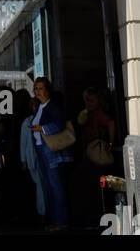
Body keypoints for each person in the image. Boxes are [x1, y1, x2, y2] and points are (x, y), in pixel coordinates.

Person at [30, 77, 73, 230]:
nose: (37, 91)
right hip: (42, 149)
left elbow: (60, 124)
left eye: (40, 88)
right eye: (36, 89)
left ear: (48, 90)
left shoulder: (52, 106)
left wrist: (42, 128)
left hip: (51, 151)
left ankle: (61, 222)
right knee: (48, 186)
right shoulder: (39, 107)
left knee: (56, 186)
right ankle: (56, 221)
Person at [72, 86, 116, 226]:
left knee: (92, 185)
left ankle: (96, 217)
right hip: (90, 152)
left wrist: (110, 142)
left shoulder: (98, 113)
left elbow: (111, 123)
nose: (88, 104)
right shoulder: (88, 114)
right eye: (86, 101)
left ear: (98, 101)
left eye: (91, 100)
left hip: (96, 154)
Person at [20, 95, 46, 224]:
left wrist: (23, 160)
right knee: (41, 185)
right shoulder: (28, 122)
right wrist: (24, 160)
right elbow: (23, 143)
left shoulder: (29, 122)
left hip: (36, 158)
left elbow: (23, 143)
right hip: (34, 159)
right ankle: (42, 212)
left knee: (40, 186)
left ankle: (42, 212)